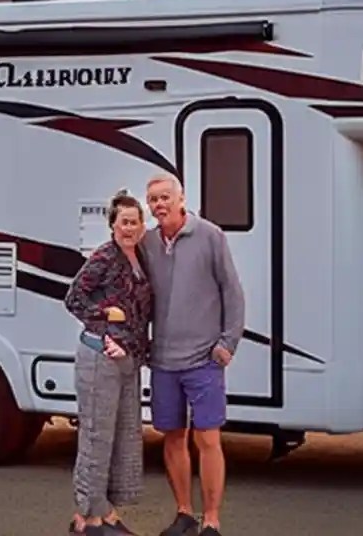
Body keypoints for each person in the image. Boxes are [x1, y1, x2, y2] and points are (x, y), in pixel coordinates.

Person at [141, 173, 245, 536]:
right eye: (153, 199)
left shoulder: (210, 236)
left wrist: (228, 343)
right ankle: (184, 513)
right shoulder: (147, 243)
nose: (159, 205)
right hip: (163, 360)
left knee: (208, 438)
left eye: (165, 197)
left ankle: (211, 519)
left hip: (204, 359)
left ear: (181, 198)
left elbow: (232, 292)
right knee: (172, 437)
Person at [64, 189, 155, 535]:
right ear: (112, 225)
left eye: (134, 222)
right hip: (99, 359)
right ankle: (90, 518)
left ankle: (103, 513)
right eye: (123, 222)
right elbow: (73, 299)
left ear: (142, 225)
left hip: (128, 360)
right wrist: (105, 323)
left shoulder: (140, 257)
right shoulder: (104, 257)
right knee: (96, 437)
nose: (129, 228)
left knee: (123, 437)